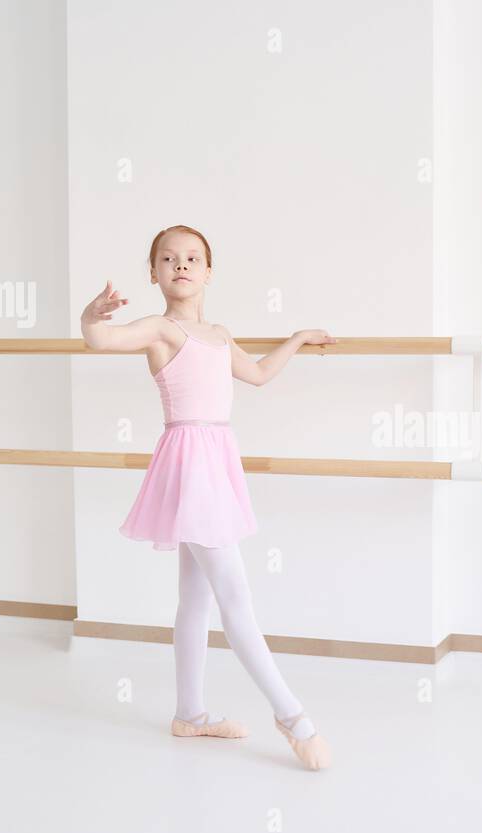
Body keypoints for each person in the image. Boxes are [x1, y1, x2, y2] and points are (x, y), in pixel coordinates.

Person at [80, 224, 336, 771]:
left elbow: (260, 374)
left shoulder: (218, 334)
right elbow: (100, 340)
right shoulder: (161, 329)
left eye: (192, 257)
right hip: (189, 463)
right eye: (168, 259)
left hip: (214, 462)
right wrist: (91, 316)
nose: (181, 266)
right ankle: (293, 717)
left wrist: (295, 338)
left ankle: (190, 714)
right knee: (235, 596)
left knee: (196, 597)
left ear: (209, 271)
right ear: (154, 274)